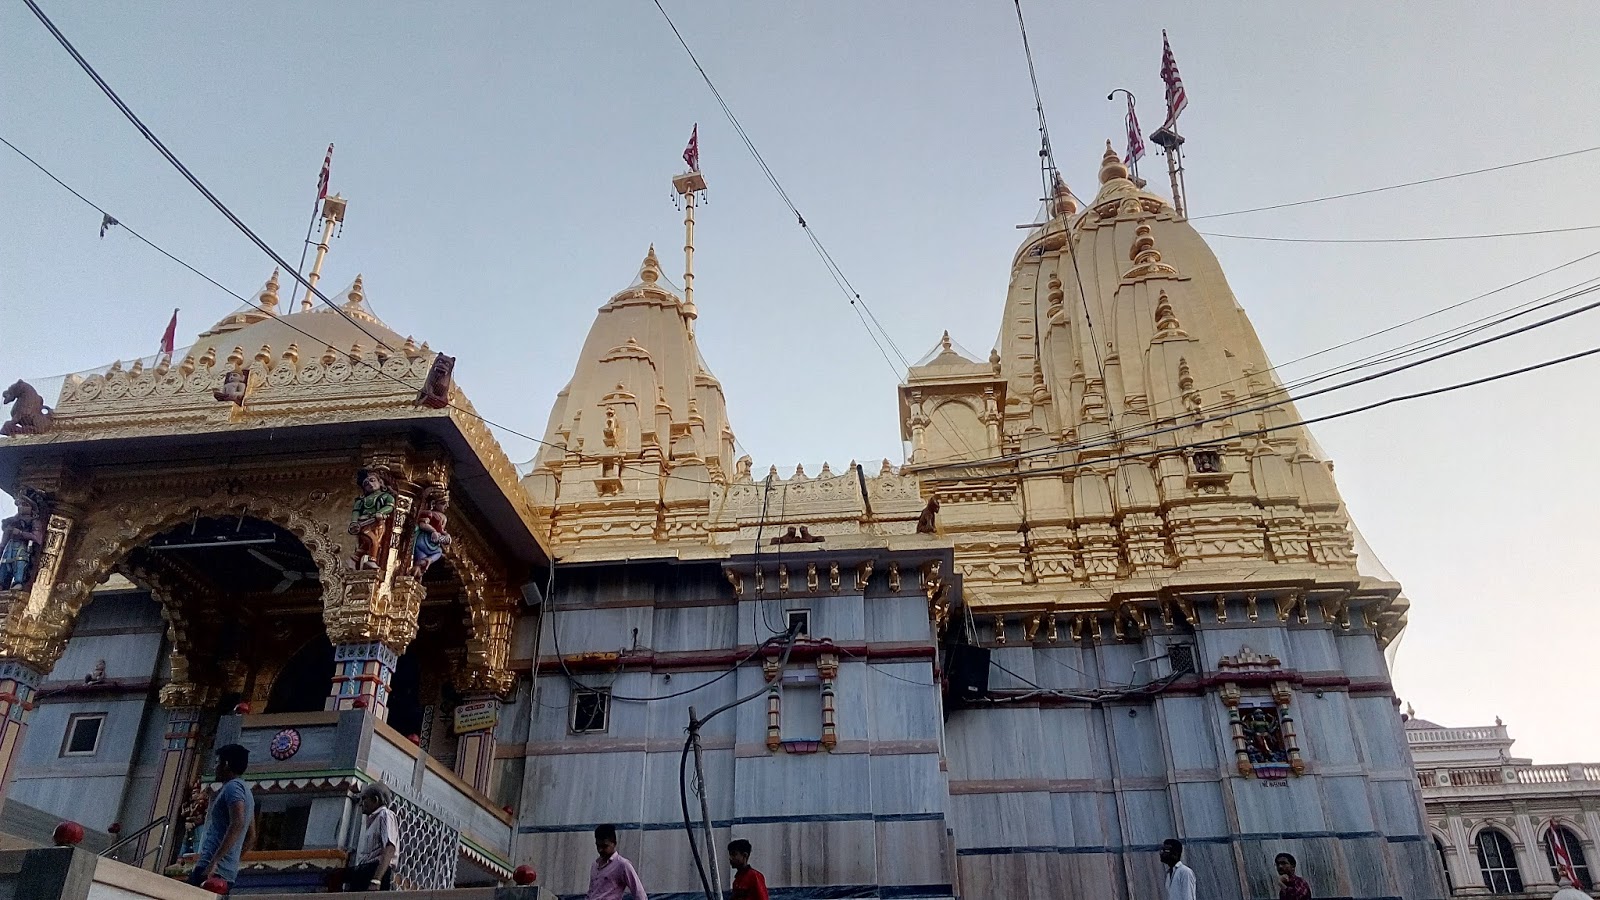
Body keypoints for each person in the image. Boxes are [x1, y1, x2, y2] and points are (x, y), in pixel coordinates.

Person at [187, 744, 255, 893]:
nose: (215, 767)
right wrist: (232, 861)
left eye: (218, 762)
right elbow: (251, 837)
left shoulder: (233, 787)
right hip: (227, 872)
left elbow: (237, 823)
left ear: (226, 765)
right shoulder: (247, 792)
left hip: (211, 869)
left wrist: (216, 861)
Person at [345, 784, 399, 891]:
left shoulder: (385, 815)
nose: (361, 804)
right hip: (364, 871)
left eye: (364, 799)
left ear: (375, 799)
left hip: (375, 871)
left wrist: (376, 879)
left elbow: (389, 848)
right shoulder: (371, 821)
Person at [586, 824, 647, 900]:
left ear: (614, 843)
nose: (600, 850)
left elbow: (639, 892)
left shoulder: (622, 865)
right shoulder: (595, 865)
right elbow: (591, 892)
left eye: (605, 846)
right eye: (598, 846)